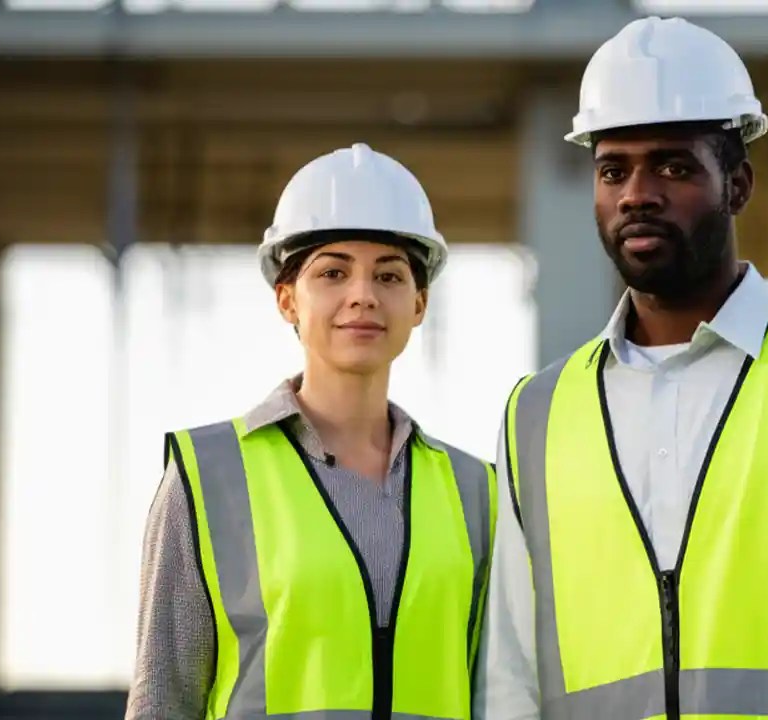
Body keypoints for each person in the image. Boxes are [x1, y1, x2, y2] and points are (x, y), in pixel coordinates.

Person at [478, 16, 768, 720]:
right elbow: (509, 678)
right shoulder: (536, 416)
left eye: (673, 166)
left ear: (738, 185)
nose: (637, 192)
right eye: (613, 169)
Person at [126, 143, 496, 720]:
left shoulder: (477, 491)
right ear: (286, 300)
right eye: (332, 272)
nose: (363, 295)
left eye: (390, 275)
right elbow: (162, 699)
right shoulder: (208, 479)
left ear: (419, 303)